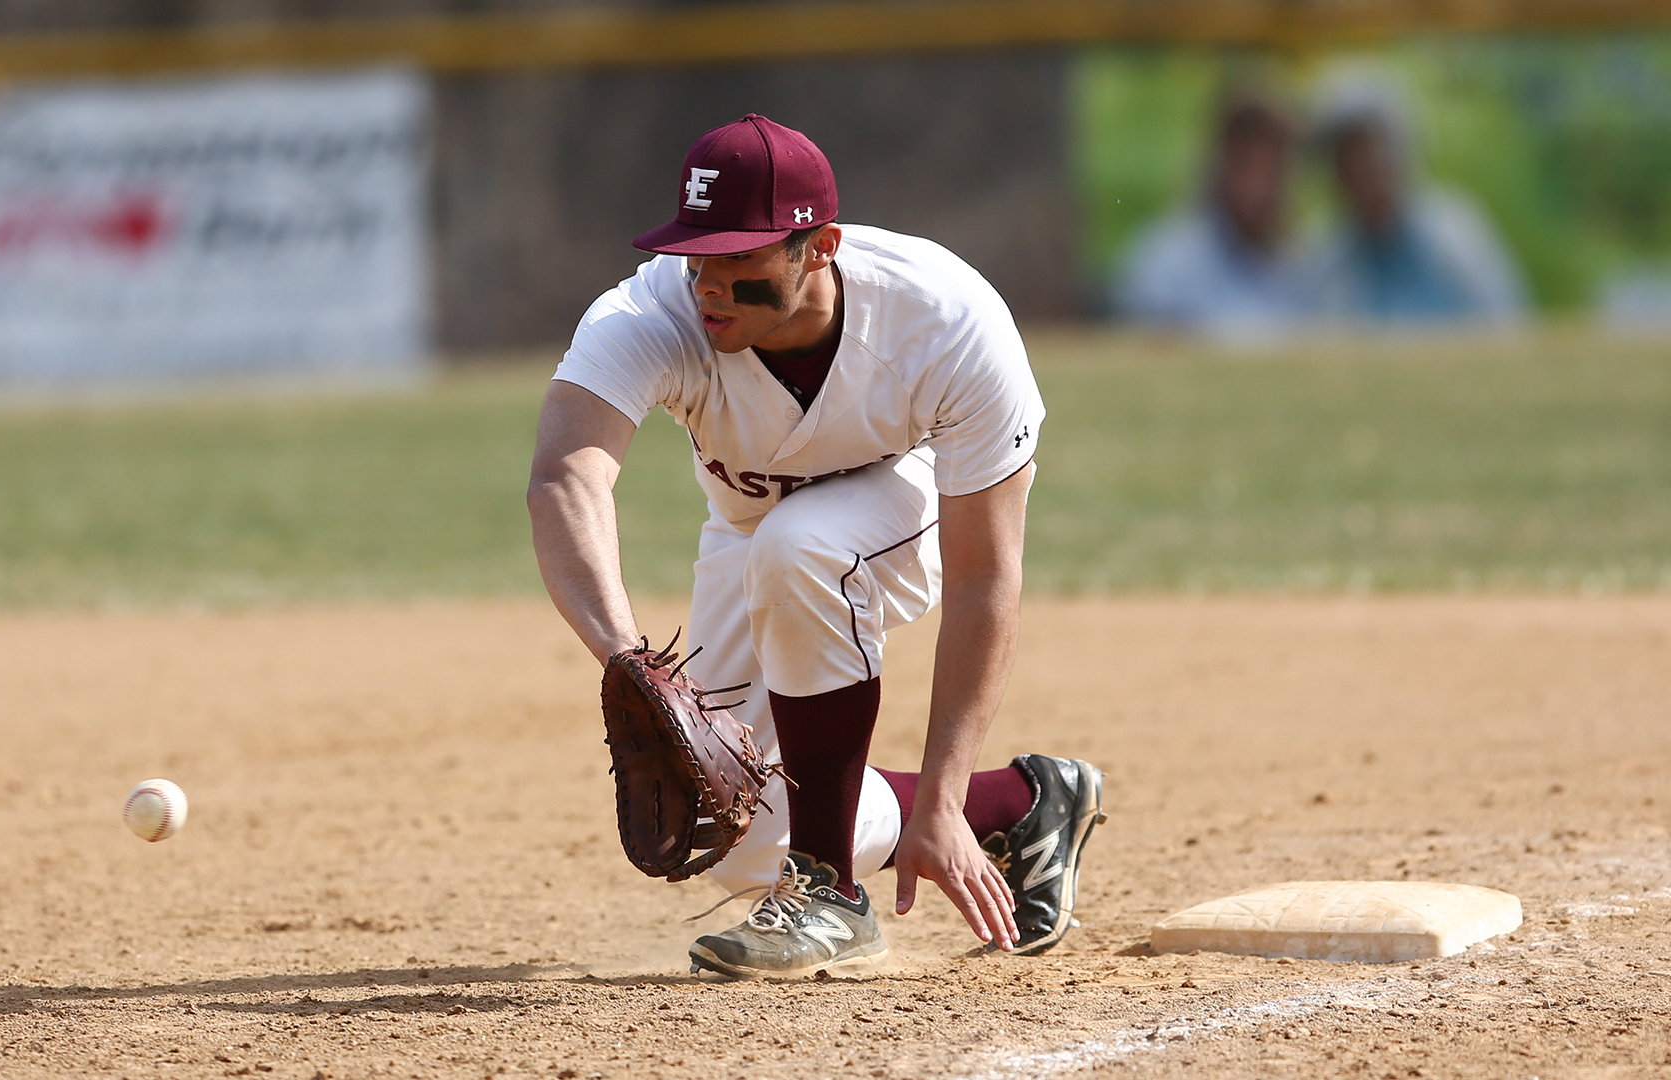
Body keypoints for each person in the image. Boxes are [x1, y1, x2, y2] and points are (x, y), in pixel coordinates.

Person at [526, 114, 1104, 980]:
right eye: (695, 256)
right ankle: (1025, 803)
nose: (709, 285)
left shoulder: (945, 319)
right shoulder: (654, 314)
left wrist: (941, 785)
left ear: (820, 247)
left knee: (801, 549)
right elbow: (565, 477)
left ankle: (831, 894)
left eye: (738, 260)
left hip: (913, 501)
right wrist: (627, 662)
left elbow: (985, 575)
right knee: (741, 829)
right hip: (747, 530)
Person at [1310, 73, 1526, 327]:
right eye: (1346, 152)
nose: (1361, 165)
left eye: (1371, 146)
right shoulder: (1323, 257)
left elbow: (1506, 328)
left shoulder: (1457, 236)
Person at [1115, 92, 1313, 340]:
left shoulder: (1305, 268)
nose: (1258, 183)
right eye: (1246, 162)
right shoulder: (1164, 265)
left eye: (1273, 167)